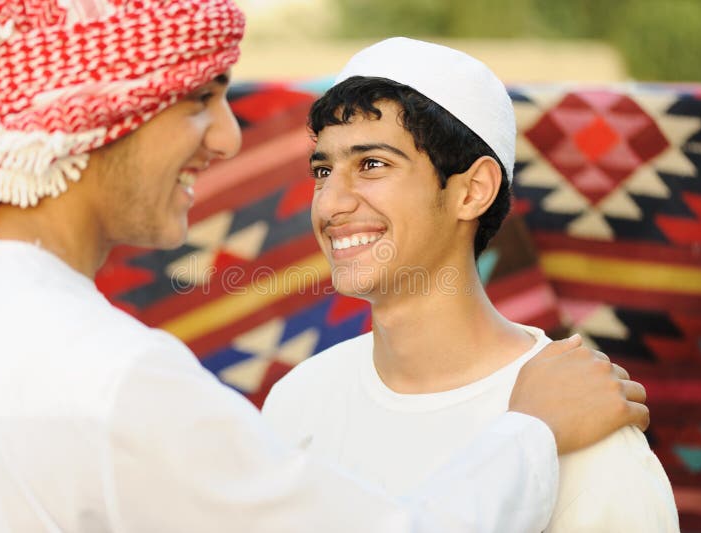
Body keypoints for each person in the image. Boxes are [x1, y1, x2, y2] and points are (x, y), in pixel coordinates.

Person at [0, 3, 648, 531]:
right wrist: (531, 433)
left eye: (372, 163)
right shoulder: (137, 382)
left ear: (472, 188)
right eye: (202, 102)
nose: (230, 138)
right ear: (99, 110)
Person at [262, 37, 679, 532]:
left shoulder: (583, 424)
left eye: (371, 164)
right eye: (323, 170)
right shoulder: (298, 403)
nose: (330, 204)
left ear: (472, 190)